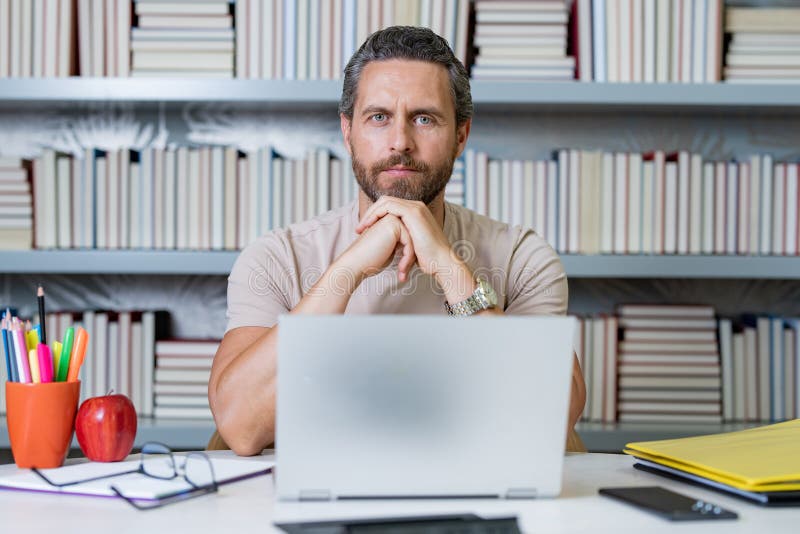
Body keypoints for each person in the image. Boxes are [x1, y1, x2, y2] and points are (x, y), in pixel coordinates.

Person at [209, 26, 587, 456]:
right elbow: (239, 425)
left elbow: (555, 420)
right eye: (378, 117)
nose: (400, 142)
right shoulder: (277, 257)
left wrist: (447, 265)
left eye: (424, 118)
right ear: (347, 131)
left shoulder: (521, 257)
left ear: (460, 136)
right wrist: (347, 272)